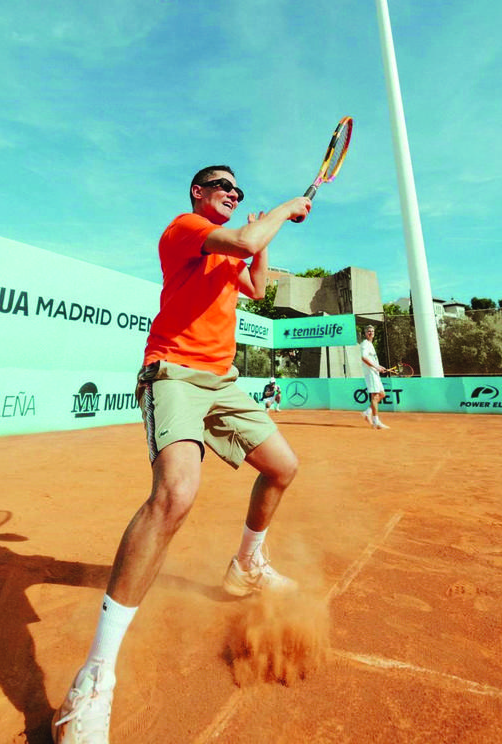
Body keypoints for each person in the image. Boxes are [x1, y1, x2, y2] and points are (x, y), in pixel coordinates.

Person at [52, 165, 311, 744]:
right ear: (199, 192)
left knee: (283, 467)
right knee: (176, 496)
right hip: (172, 375)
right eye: (224, 187)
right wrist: (284, 209)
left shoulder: (228, 255)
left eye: (239, 192)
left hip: (222, 381)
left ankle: (248, 563)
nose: (233, 195)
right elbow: (246, 240)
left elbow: (259, 287)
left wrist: (269, 237)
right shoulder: (184, 228)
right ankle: (92, 682)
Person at [360, 324, 390, 430]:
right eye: (368, 331)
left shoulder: (371, 344)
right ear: (365, 333)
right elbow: (363, 358)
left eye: (372, 331)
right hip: (370, 373)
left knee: (382, 394)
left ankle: (367, 412)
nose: (371, 333)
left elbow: (372, 360)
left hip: (375, 372)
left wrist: (379, 367)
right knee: (374, 396)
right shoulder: (365, 344)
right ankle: (376, 422)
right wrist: (376, 367)